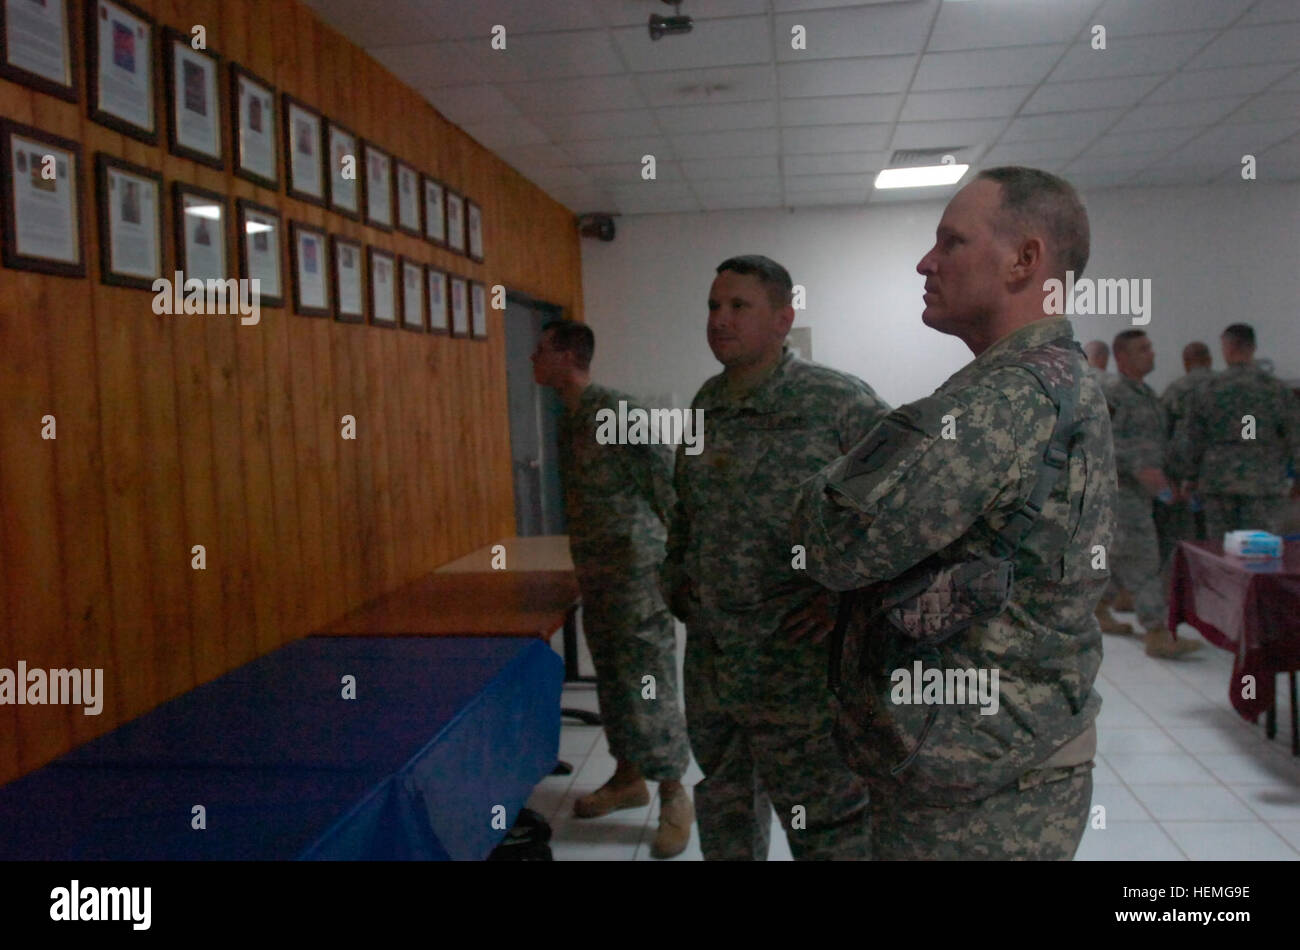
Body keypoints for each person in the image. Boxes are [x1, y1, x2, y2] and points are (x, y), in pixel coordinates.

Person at [791, 166, 1112, 859]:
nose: (925, 263)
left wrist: (830, 481)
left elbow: (832, 543)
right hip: (1012, 754)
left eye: (951, 242)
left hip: (978, 785)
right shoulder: (1058, 379)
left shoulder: (999, 402)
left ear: (1025, 260)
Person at [660, 255, 888, 860]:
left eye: (739, 306)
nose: (719, 320)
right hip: (714, 659)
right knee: (726, 804)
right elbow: (686, 508)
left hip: (799, 664)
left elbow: (904, 510)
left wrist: (847, 596)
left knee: (827, 822)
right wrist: (676, 582)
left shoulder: (837, 402)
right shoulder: (708, 402)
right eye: (713, 306)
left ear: (784, 318)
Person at [530, 320, 694, 859]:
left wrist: (680, 561)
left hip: (637, 571)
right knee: (616, 681)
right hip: (597, 573)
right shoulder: (568, 418)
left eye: (542, 350)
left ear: (568, 356)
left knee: (649, 681)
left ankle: (674, 794)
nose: (532, 358)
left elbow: (665, 480)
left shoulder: (614, 412)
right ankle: (628, 778)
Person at [1103, 330, 1201, 659]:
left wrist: (1176, 479)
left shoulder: (1147, 395)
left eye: (1151, 347)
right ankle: (1157, 632)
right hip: (1121, 492)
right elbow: (1096, 442)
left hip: (1148, 493)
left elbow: (1161, 445)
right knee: (1144, 558)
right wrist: (1136, 468)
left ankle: (1099, 609)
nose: (1152, 353)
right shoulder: (1113, 395)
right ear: (1123, 357)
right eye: (1143, 349)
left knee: (1120, 557)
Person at [1173, 324, 1300, 541]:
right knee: (1260, 551)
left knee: (1220, 552)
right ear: (1253, 348)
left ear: (1226, 349)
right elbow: (1295, 436)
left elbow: (1191, 439)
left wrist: (1189, 477)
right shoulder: (1276, 389)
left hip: (1218, 482)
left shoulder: (1207, 388)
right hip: (1264, 482)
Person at [1158, 342, 1214, 545]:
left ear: (1185, 362)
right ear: (1209, 360)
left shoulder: (1177, 388)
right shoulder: (1222, 385)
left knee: (1183, 529)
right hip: (1218, 469)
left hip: (1182, 468)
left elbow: (1162, 431)